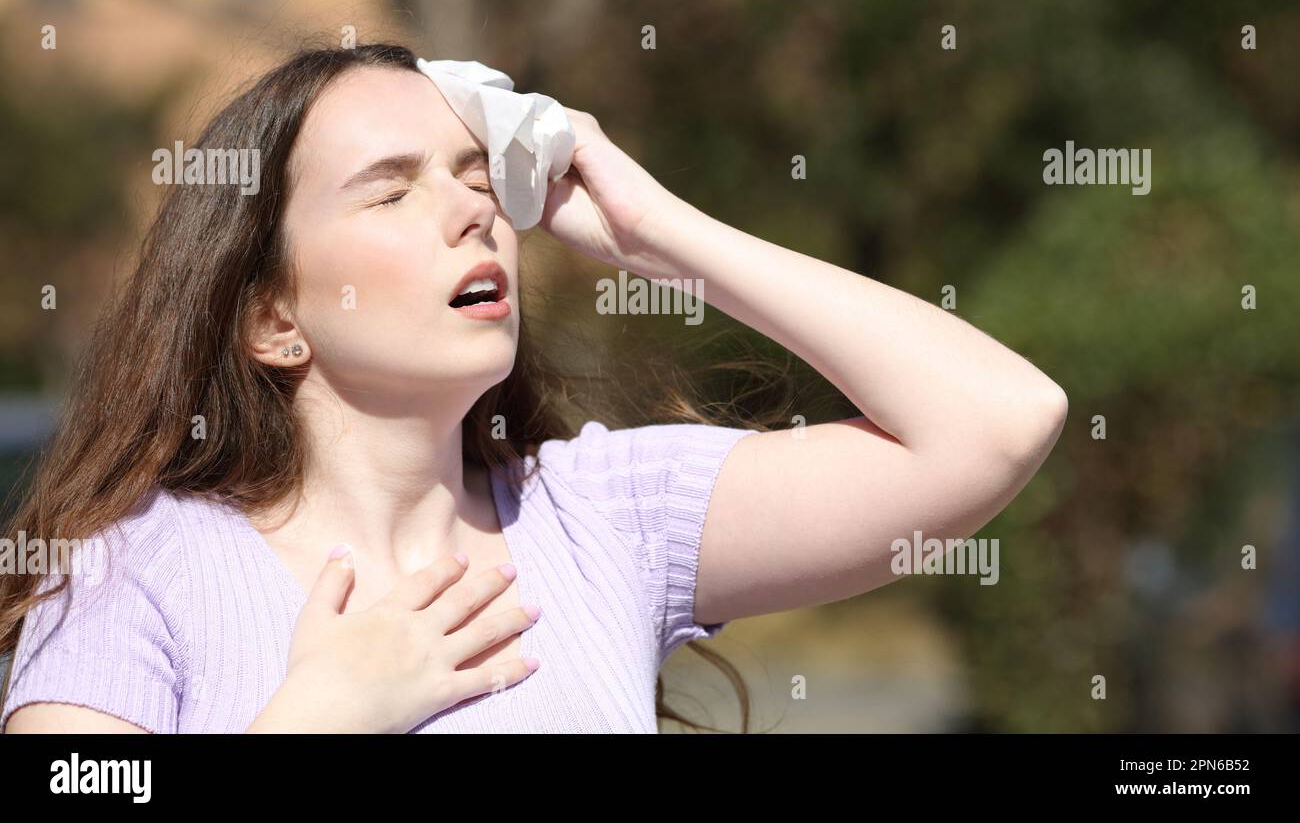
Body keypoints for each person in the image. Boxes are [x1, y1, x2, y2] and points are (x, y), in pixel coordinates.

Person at [0, 43, 1067, 733]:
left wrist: (662, 237)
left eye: (476, 178)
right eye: (390, 191)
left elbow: (997, 422)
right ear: (274, 318)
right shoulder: (128, 572)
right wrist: (321, 718)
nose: (472, 212)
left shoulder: (603, 515)